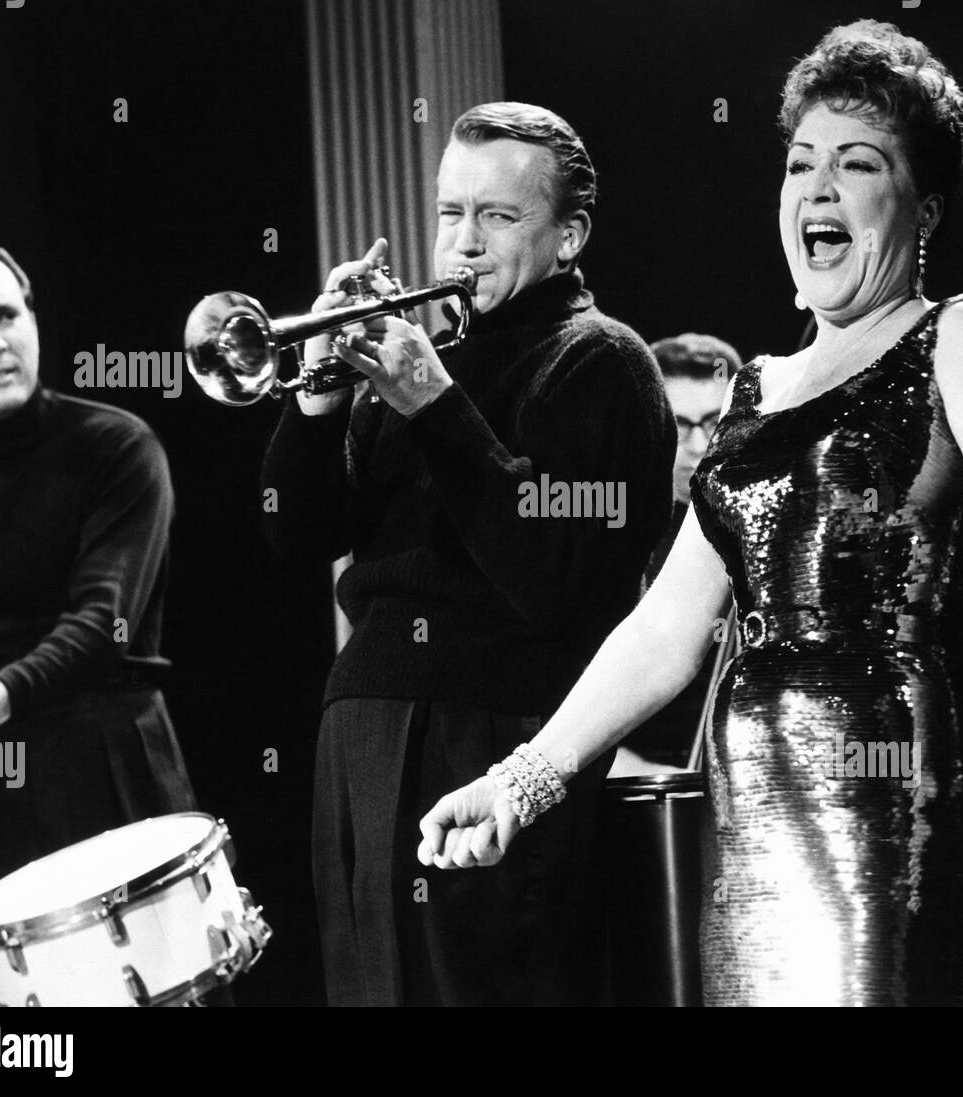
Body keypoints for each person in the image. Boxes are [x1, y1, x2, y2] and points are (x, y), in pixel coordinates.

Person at [418, 23, 963, 1006]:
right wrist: (521, 781)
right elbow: (664, 627)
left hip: (887, 789)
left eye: (857, 162)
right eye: (800, 164)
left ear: (922, 205)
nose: (816, 186)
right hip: (749, 801)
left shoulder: (955, 336)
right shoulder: (755, 389)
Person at [260, 103, 675, 1005]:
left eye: (499, 216)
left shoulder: (603, 361)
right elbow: (294, 532)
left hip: (497, 734)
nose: (464, 244)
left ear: (570, 236)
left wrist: (436, 407)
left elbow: (558, 581)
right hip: (360, 731)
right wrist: (320, 397)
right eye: (452, 213)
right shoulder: (415, 367)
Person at [0, 236, 198, 1006]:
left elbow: (103, 619)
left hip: (105, 762)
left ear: (35, 323)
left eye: (8, 314)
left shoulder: (114, 445)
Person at [611, 333, 740, 775]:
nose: (699, 443)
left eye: (714, 422)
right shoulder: (621, 541)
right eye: (680, 424)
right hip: (650, 791)